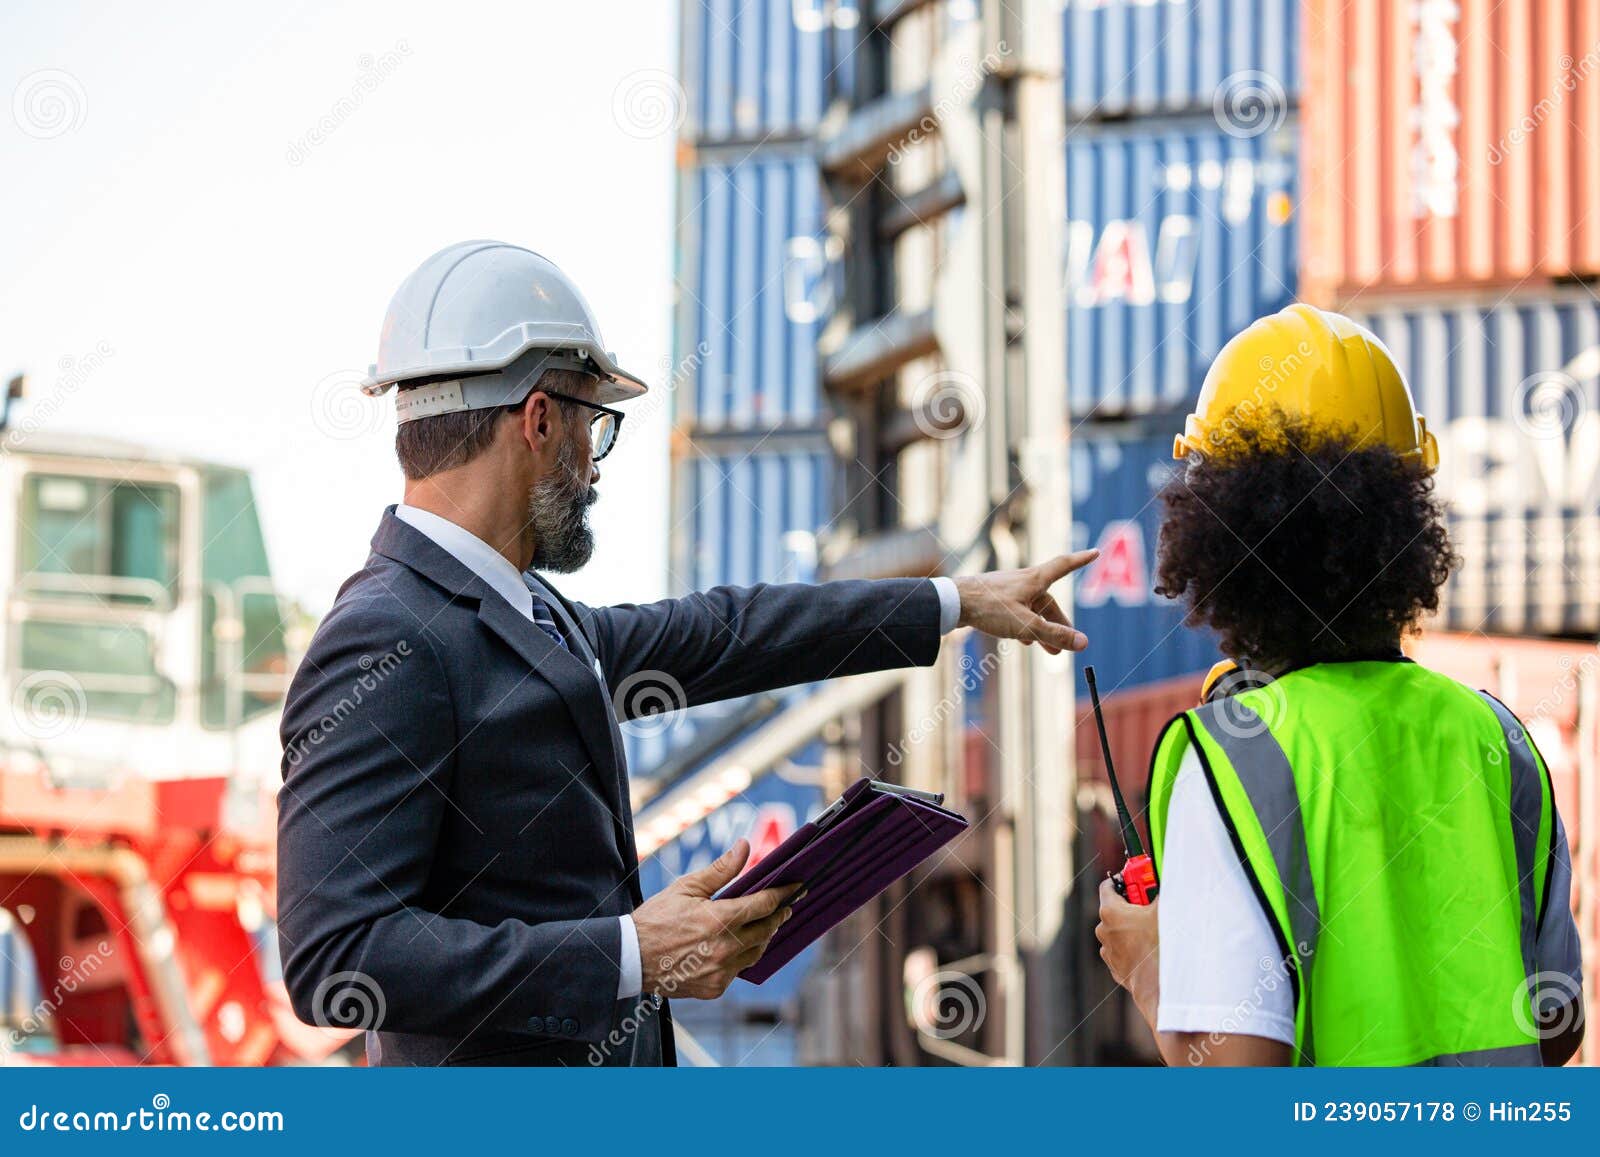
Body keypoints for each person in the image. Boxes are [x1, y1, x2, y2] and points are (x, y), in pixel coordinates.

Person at [277, 240, 1097, 1067]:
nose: (593, 469)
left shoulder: (536, 614)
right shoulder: (386, 635)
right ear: (538, 419)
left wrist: (954, 602)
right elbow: (335, 955)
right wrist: (633, 952)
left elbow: (722, 632)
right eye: (592, 424)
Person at [1095, 304, 1585, 1067]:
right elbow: (1556, 1026)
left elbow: (1238, 1083)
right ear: (1409, 521)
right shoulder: (1498, 736)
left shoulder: (1230, 758)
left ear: (1216, 535)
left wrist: (1148, 970)